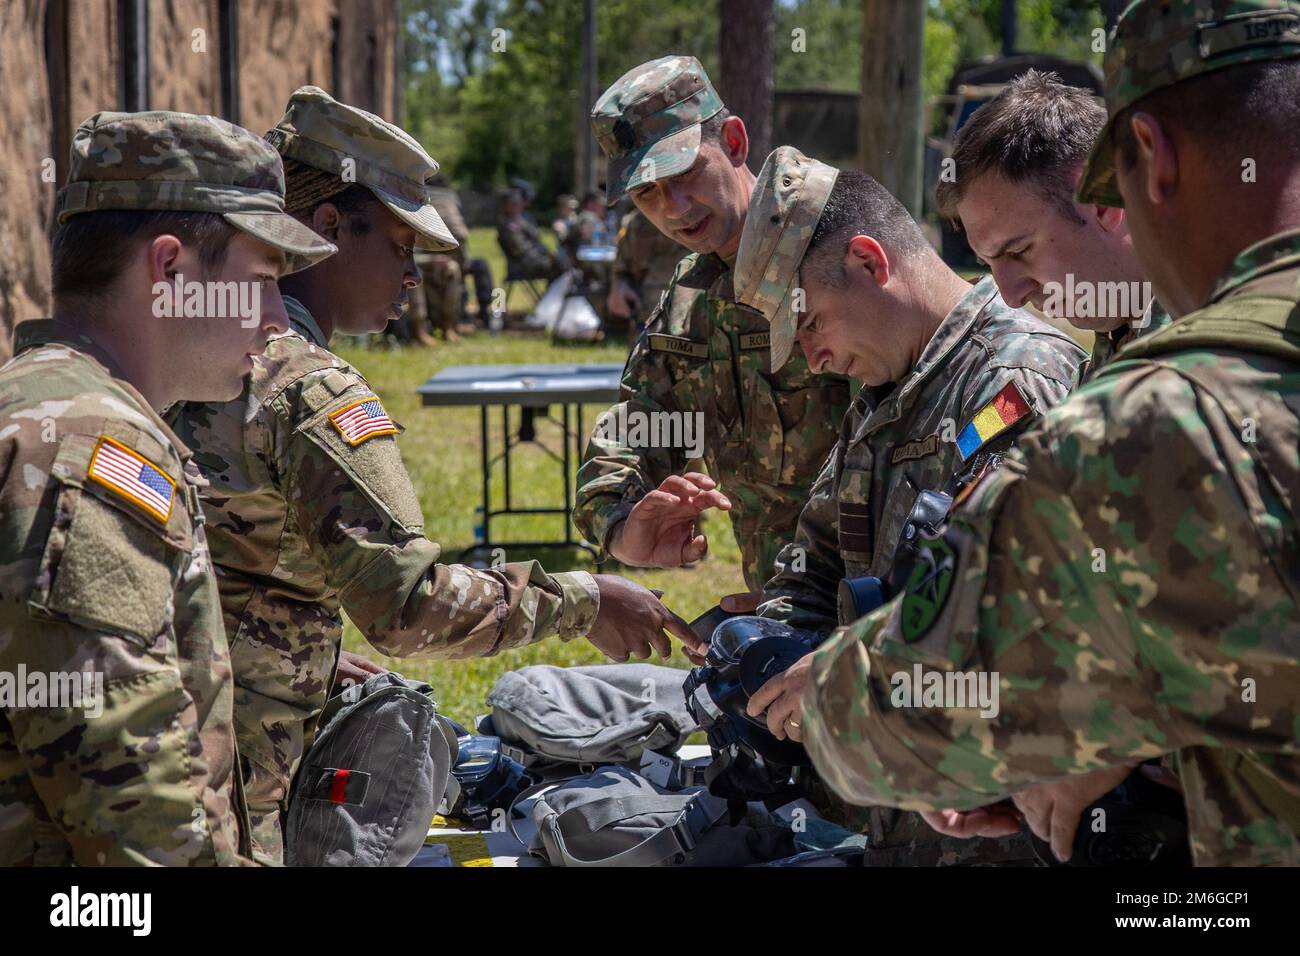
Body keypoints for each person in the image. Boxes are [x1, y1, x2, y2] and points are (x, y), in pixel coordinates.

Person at [796, 0, 1300, 866]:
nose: (1010, 291)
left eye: (1020, 252)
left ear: (1147, 156)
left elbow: (876, 720)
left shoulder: (1162, 418)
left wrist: (1085, 738)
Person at [170, 87, 704, 861]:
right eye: (400, 245)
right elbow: (407, 606)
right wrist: (582, 601)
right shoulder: (309, 389)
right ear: (325, 230)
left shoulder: (183, 352)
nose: (415, 275)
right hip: (239, 775)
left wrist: (303, 650)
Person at [0, 109, 335, 865]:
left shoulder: (54, 410)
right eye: (262, 284)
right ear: (173, 271)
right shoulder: (94, 451)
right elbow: (135, 821)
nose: (278, 323)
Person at [734, 146, 1084, 864]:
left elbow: (999, 600)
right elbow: (816, 557)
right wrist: (773, 651)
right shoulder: (884, 397)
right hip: (906, 813)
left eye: (811, 325)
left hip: (997, 821)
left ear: (868, 261)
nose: (811, 360)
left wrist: (836, 670)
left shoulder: (1013, 381)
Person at [575, 55, 852, 600]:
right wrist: (624, 527)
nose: (672, 208)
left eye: (682, 174)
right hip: (787, 615)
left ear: (733, 142)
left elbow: (911, 456)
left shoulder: (837, 262)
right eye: (645, 193)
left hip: (880, 617)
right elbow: (642, 425)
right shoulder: (692, 295)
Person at [936, 69, 1170, 382]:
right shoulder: (1119, 345)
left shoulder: (1205, 354)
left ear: (1103, 202)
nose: (1010, 298)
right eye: (988, 263)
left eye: (1018, 251)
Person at [607, 206, 688, 337]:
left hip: (688, 309)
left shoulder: (693, 214)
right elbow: (621, 267)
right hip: (646, 312)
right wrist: (618, 287)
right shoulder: (635, 221)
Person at [497, 187, 563, 282]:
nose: (518, 207)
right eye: (514, 204)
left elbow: (537, 236)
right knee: (560, 266)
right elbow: (521, 251)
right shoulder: (507, 226)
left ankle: (554, 294)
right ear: (506, 206)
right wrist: (543, 259)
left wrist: (522, 223)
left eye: (519, 204)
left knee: (563, 264)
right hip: (523, 266)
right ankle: (554, 295)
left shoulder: (518, 221)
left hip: (531, 261)